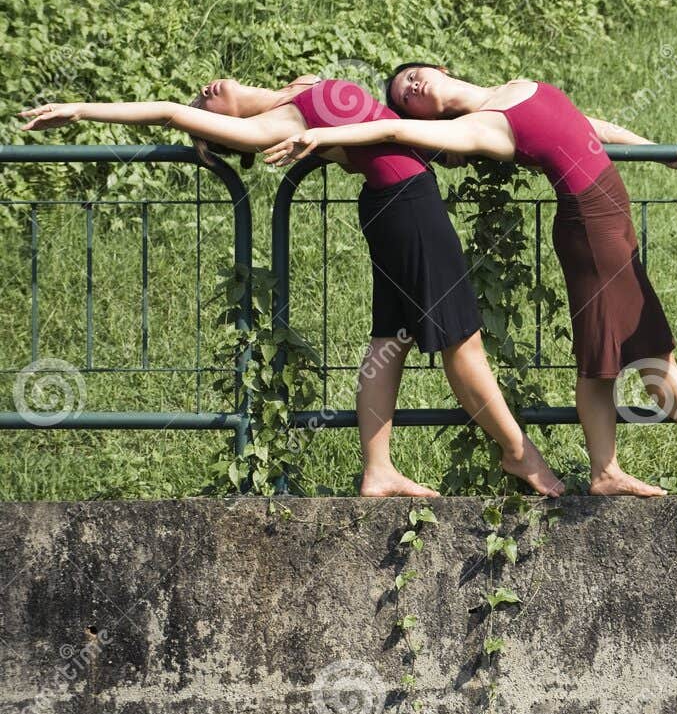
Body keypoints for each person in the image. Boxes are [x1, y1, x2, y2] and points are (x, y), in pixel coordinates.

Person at [20, 76, 564, 499]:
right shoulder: (271, 126)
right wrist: (79, 110)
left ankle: (378, 470)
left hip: (396, 204)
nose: (204, 92)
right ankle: (519, 453)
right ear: (220, 126)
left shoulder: (295, 92)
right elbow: (166, 111)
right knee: (461, 340)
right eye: (202, 106)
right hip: (408, 208)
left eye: (202, 95)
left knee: (391, 339)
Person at [261, 64, 677, 498]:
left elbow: (585, 124)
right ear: (426, 118)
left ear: (439, 68)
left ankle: (607, 471)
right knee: (647, 351)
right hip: (592, 228)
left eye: (411, 77)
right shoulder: (480, 129)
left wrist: (657, 150)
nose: (410, 87)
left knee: (604, 357)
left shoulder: (510, 89)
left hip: (607, 222)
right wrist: (320, 135)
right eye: (404, 97)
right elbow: (391, 134)